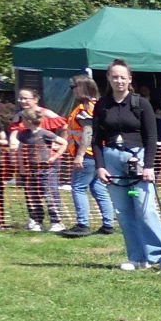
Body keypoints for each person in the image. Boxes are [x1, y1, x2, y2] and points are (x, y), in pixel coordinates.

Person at [92, 60, 161, 270]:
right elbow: (96, 139)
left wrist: (149, 166)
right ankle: (137, 258)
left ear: (129, 79)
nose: (119, 80)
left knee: (145, 210)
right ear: (109, 78)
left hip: (137, 158)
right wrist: (100, 166)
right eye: (115, 76)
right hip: (111, 159)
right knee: (123, 211)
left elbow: (151, 136)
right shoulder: (102, 104)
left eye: (123, 77)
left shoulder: (140, 103)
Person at [60, 75, 116, 237]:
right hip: (96, 155)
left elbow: (88, 132)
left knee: (78, 188)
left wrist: (79, 155)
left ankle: (82, 224)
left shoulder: (86, 107)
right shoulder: (94, 105)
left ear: (83, 88)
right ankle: (108, 224)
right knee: (98, 189)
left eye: (74, 87)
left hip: (88, 155)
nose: (72, 91)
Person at [7, 87, 69, 231]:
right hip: (27, 160)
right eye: (20, 98)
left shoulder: (45, 113)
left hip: (46, 160)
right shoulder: (19, 115)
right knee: (31, 191)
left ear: (35, 99)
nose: (22, 101)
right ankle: (35, 220)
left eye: (26, 98)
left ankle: (56, 221)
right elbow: (16, 134)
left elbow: (64, 126)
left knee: (49, 191)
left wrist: (54, 147)